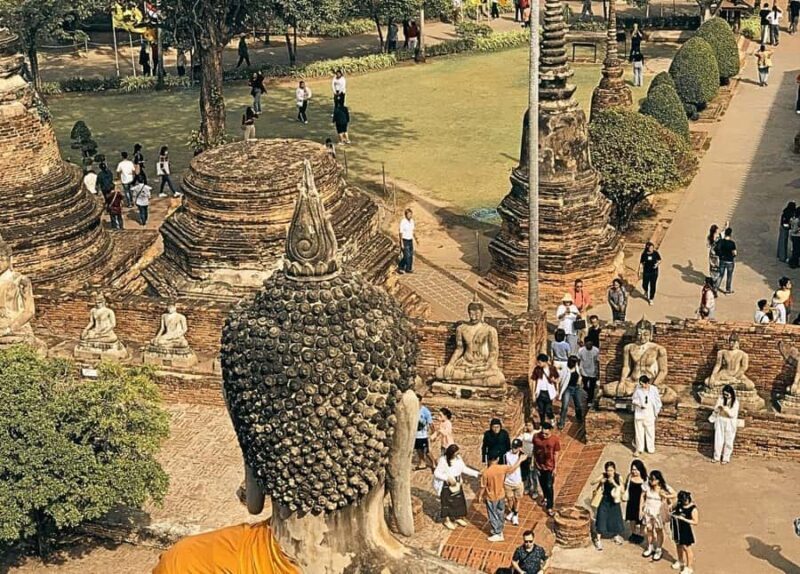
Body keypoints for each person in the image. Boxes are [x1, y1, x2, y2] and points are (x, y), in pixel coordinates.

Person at [477, 451, 527, 542]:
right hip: (501, 495)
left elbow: (483, 487)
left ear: (488, 460)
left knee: (492, 514)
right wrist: (520, 460)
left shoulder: (486, 473)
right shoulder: (502, 468)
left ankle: (497, 532)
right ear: (498, 459)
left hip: (491, 497)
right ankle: (500, 528)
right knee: (500, 512)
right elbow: (512, 469)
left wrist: (480, 496)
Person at [433, 444, 480, 530]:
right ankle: (447, 520)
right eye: (456, 453)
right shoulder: (443, 460)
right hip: (447, 484)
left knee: (458, 501)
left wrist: (476, 473)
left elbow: (464, 469)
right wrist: (447, 478)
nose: (458, 455)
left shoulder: (458, 459)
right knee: (446, 502)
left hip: (457, 483)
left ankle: (457, 517)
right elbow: (436, 473)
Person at [642, 470, 676, 562]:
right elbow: (643, 496)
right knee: (649, 529)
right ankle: (650, 547)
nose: (650, 481)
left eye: (653, 479)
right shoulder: (647, 486)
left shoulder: (664, 487)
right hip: (648, 511)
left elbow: (674, 494)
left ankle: (658, 549)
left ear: (658, 480)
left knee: (658, 530)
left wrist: (665, 496)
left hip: (658, 512)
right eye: (650, 479)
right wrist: (641, 508)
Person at [591, 461, 625, 550]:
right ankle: (598, 539)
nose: (609, 472)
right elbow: (592, 482)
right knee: (601, 517)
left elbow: (622, 490)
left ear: (614, 470)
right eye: (608, 470)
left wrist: (613, 482)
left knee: (615, 518)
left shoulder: (618, 477)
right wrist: (600, 481)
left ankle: (615, 535)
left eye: (611, 470)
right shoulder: (604, 476)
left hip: (614, 501)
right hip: (605, 500)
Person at [532, 422, 560, 516]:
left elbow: (556, 453)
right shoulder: (536, 437)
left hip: (549, 466)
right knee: (542, 483)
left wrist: (555, 467)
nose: (544, 435)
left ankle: (550, 506)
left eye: (546, 434)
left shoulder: (554, 440)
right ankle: (545, 497)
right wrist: (534, 463)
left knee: (549, 485)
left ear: (550, 431)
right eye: (542, 433)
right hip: (539, 465)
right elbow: (534, 450)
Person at [632, 375, 662, 456]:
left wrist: (656, 413)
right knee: (639, 432)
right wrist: (639, 404)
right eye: (641, 384)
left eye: (643, 384)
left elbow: (658, 401)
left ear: (647, 383)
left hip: (649, 413)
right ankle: (639, 449)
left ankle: (650, 448)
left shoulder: (653, 389)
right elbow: (634, 399)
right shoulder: (638, 389)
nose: (642, 386)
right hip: (640, 413)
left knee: (650, 431)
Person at [670, 491, 699, 574]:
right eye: (683, 500)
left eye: (686, 499)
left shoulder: (692, 508)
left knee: (686, 548)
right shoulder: (679, 504)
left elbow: (695, 522)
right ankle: (680, 561)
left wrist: (683, 519)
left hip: (685, 530)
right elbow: (672, 509)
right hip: (676, 528)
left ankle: (689, 567)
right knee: (678, 545)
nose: (685, 501)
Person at [711, 384, 739, 464]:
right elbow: (716, 409)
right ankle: (717, 457)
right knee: (718, 439)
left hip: (729, 422)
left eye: (727, 394)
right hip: (720, 420)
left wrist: (725, 409)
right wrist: (718, 409)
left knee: (729, 440)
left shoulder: (735, 402)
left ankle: (726, 458)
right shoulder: (720, 399)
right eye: (724, 394)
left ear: (731, 394)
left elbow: (732, 414)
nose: (725, 396)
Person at [624, 459, 648, 544]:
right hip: (631, 501)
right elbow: (625, 486)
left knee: (642, 520)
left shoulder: (645, 479)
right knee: (632, 518)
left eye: (636, 470)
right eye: (632, 469)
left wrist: (644, 504)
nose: (634, 471)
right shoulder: (629, 477)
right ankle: (633, 533)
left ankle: (641, 534)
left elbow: (647, 493)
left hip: (641, 502)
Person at [503, 439, 525, 526]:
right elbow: (508, 470)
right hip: (508, 482)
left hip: (518, 482)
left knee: (517, 499)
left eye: (516, 448)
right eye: (513, 447)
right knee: (509, 499)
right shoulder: (506, 455)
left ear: (520, 448)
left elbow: (525, 469)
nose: (514, 449)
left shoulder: (523, 456)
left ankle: (515, 514)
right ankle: (512, 511)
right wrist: (519, 461)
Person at [558, 356, 583, 430]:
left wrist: (579, 381)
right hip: (567, 389)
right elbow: (560, 379)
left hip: (576, 388)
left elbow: (579, 375)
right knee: (565, 406)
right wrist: (558, 390)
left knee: (578, 405)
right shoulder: (565, 369)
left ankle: (579, 419)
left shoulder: (576, 367)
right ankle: (561, 422)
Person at [532, 354, 557, 424]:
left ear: (545, 362)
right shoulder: (537, 369)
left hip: (548, 392)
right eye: (538, 362)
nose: (538, 364)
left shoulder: (552, 369)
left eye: (540, 362)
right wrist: (534, 392)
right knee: (541, 410)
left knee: (548, 409)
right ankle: (542, 423)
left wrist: (554, 381)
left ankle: (551, 418)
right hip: (540, 392)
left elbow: (557, 379)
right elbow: (534, 380)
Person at [517, 421, 538, 498]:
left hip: (533, 456)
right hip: (525, 456)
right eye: (527, 425)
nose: (528, 427)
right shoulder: (524, 434)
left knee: (534, 475)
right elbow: (518, 439)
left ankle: (535, 490)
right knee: (526, 473)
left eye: (530, 425)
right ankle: (527, 487)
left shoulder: (536, 433)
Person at [414, 394, 435, 470]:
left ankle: (433, 463)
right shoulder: (413, 410)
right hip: (416, 435)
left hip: (423, 435)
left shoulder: (425, 411)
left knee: (427, 451)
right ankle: (422, 462)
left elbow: (431, 423)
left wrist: (433, 433)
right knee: (418, 450)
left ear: (420, 401)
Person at [578, 338, 600, 409]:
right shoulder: (581, 350)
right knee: (585, 386)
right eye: (587, 344)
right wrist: (579, 369)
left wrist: (598, 371)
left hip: (593, 372)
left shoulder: (596, 350)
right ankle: (587, 396)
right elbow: (578, 359)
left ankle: (590, 400)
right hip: (584, 371)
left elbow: (598, 361)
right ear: (585, 344)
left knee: (592, 387)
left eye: (590, 344)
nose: (589, 346)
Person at [714, 227, 737, 294]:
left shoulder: (721, 242)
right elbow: (735, 253)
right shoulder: (732, 243)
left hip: (722, 260)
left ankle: (715, 288)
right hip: (730, 261)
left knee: (721, 275)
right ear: (730, 234)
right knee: (729, 276)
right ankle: (728, 289)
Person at [397, 208, 417, 274]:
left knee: (410, 255)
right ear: (406, 215)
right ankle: (401, 266)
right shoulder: (403, 222)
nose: (410, 216)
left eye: (411, 214)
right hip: (404, 240)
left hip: (410, 239)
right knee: (406, 255)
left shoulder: (412, 221)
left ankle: (408, 268)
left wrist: (416, 238)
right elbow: (400, 232)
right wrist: (401, 242)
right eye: (408, 214)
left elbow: (413, 231)